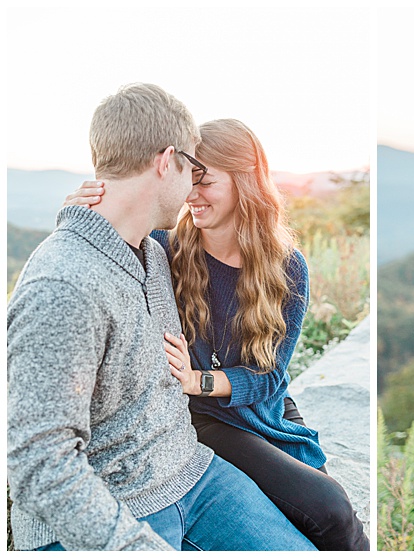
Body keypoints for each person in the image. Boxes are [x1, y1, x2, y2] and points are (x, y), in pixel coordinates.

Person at [7, 83, 315, 551]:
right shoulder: (61, 285)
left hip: (192, 475)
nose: (193, 186)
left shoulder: (153, 253)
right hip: (113, 508)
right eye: (192, 168)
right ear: (166, 161)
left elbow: (106, 234)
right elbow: (37, 462)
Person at [64, 118, 369, 550]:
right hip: (203, 416)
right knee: (331, 507)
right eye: (190, 177)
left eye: (205, 180)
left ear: (244, 181)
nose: (192, 194)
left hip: (265, 404)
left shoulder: (288, 267)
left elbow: (269, 375)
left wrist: (199, 378)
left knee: (329, 514)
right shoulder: (163, 247)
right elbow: (95, 260)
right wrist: (80, 215)